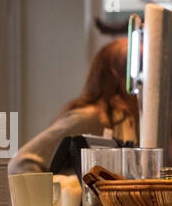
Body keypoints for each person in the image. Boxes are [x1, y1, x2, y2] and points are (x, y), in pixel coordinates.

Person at [9, 38, 139, 175]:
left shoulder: (132, 120)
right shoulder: (92, 117)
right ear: (121, 76)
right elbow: (21, 163)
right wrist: (50, 195)